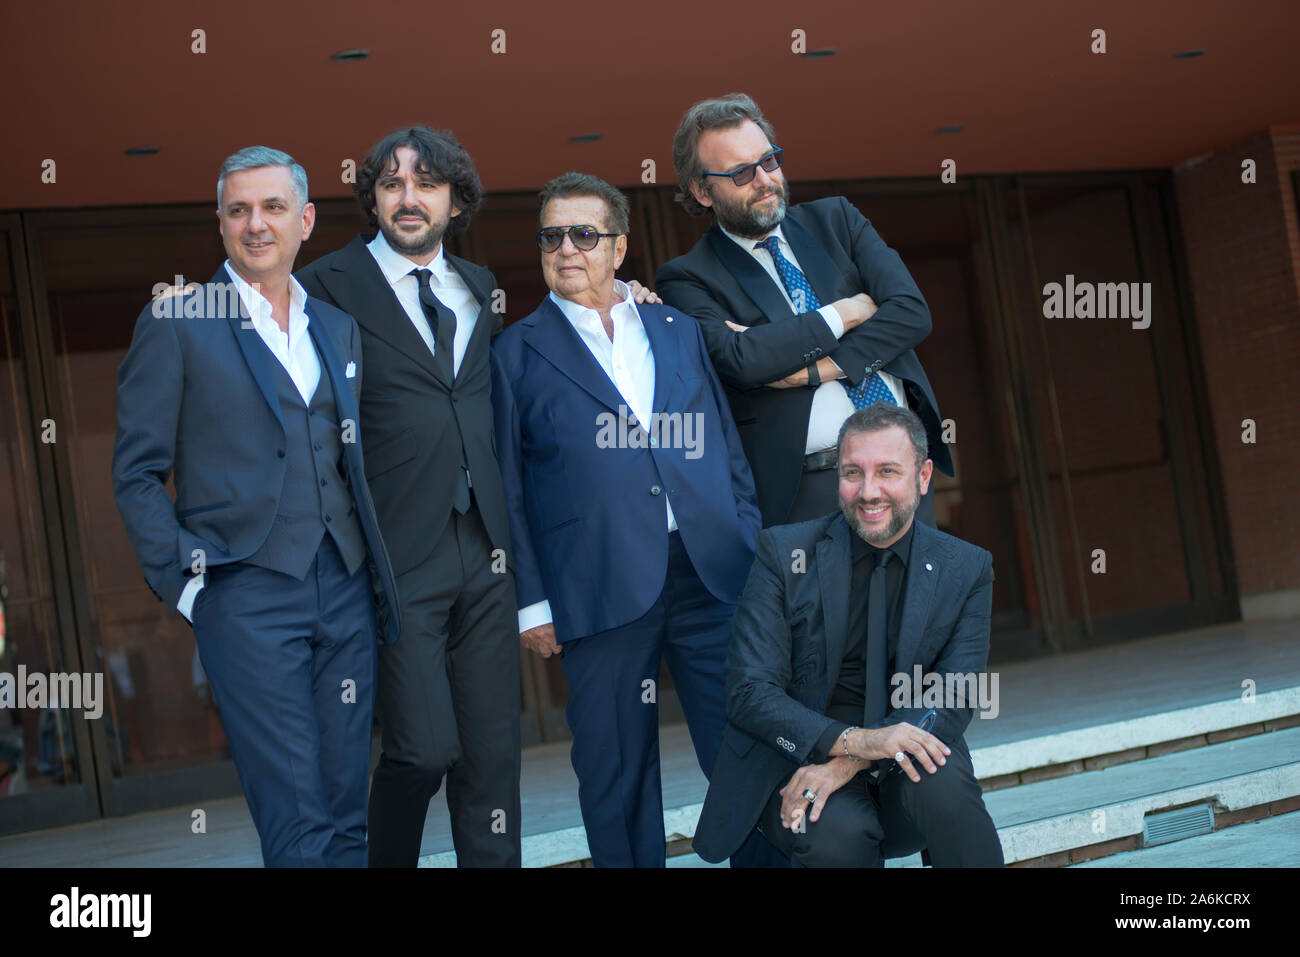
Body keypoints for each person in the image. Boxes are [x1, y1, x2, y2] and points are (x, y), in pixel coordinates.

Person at [112, 146, 400, 867]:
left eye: (273, 207)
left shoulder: (335, 328)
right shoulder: (177, 319)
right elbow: (137, 472)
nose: (256, 223)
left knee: (345, 808)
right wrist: (188, 588)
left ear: (304, 219)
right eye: (238, 209)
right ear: (220, 222)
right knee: (296, 816)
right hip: (245, 596)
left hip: (343, 590)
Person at [491, 172, 776, 867]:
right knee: (615, 771)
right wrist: (529, 599)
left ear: (618, 248)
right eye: (552, 235)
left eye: (584, 234)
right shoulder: (515, 354)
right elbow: (508, 488)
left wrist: (749, 536)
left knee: (746, 749)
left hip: (712, 569)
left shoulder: (675, 329)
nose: (566, 248)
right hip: (598, 582)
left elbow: (725, 448)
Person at [296, 126, 520, 867]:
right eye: (391, 184)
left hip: (484, 547)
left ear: (456, 200)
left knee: (492, 762)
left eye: (425, 183)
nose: (408, 197)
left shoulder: (481, 287)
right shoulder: (327, 284)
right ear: (373, 199)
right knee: (422, 750)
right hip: (395, 552)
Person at [692, 403, 1003, 867]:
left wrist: (856, 755)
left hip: (895, 770)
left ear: (923, 476)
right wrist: (848, 744)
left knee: (941, 777)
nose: (868, 491)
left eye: (888, 472)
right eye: (852, 472)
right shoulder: (784, 554)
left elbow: (955, 693)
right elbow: (750, 694)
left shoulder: (967, 567)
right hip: (804, 763)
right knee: (833, 832)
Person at [656, 93, 952, 527]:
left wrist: (817, 369)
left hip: (902, 470)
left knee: (922, 596)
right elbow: (744, 360)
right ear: (703, 191)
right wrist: (848, 312)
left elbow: (910, 313)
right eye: (741, 172)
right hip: (810, 491)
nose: (763, 180)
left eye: (769, 162)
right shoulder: (689, 277)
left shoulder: (837, 221)